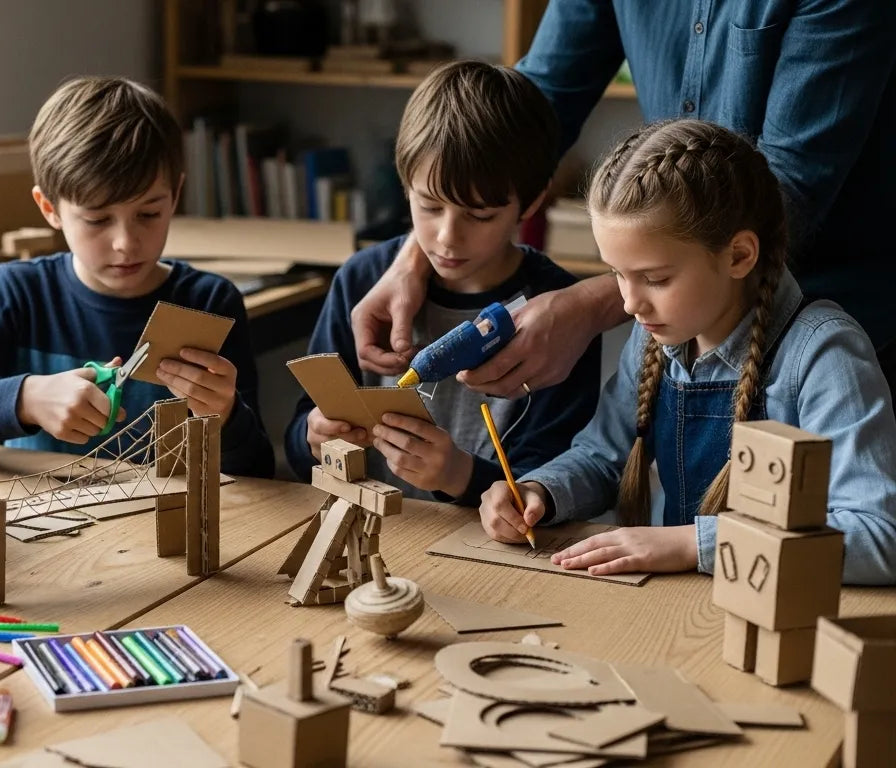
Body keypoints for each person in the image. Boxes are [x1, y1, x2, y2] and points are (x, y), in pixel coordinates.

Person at [351, 1, 896, 394]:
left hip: (833, 325)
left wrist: (593, 304)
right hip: (688, 330)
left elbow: (785, 194)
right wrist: (417, 253)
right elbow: (525, 120)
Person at [478, 120, 896, 585]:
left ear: (739, 256)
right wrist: (540, 491)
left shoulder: (823, 354)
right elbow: (602, 457)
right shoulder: (656, 337)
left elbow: (879, 536)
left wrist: (687, 544)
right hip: (674, 607)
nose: (630, 303)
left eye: (655, 279)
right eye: (617, 273)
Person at [0, 76, 275, 477]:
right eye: (97, 219)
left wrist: (225, 417)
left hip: (165, 531)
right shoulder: (20, 293)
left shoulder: (208, 302)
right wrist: (25, 399)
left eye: (149, 214)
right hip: (40, 531)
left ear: (176, 194)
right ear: (49, 208)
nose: (125, 242)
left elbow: (258, 471)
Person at [284, 62, 600, 503]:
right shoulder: (361, 280)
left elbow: (553, 485)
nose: (448, 237)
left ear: (531, 203)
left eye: (480, 215)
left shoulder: (556, 315)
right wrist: (312, 439)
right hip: (363, 532)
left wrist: (457, 474)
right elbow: (300, 431)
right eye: (429, 206)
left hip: (481, 555)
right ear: (405, 184)